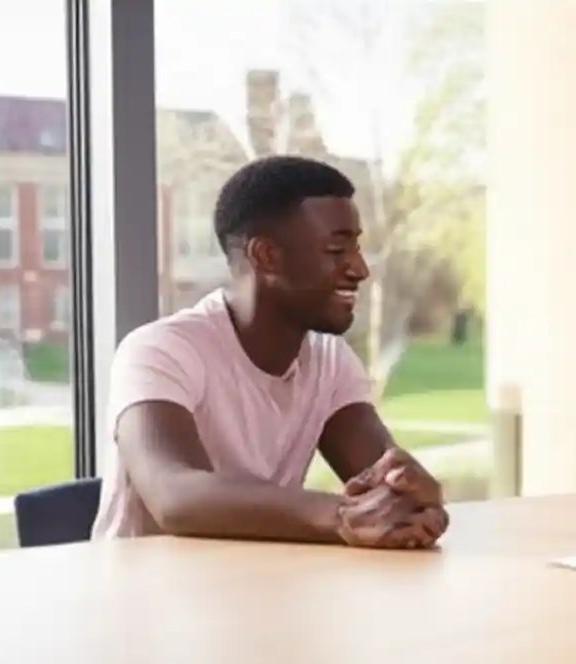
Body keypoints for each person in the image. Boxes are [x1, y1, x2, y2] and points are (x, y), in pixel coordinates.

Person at [92, 156, 448, 550]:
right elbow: (175, 495)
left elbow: (384, 484)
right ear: (265, 256)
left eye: (356, 246)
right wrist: (342, 516)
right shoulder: (161, 350)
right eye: (337, 248)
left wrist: (410, 496)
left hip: (255, 589)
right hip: (141, 599)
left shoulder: (330, 359)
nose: (360, 268)